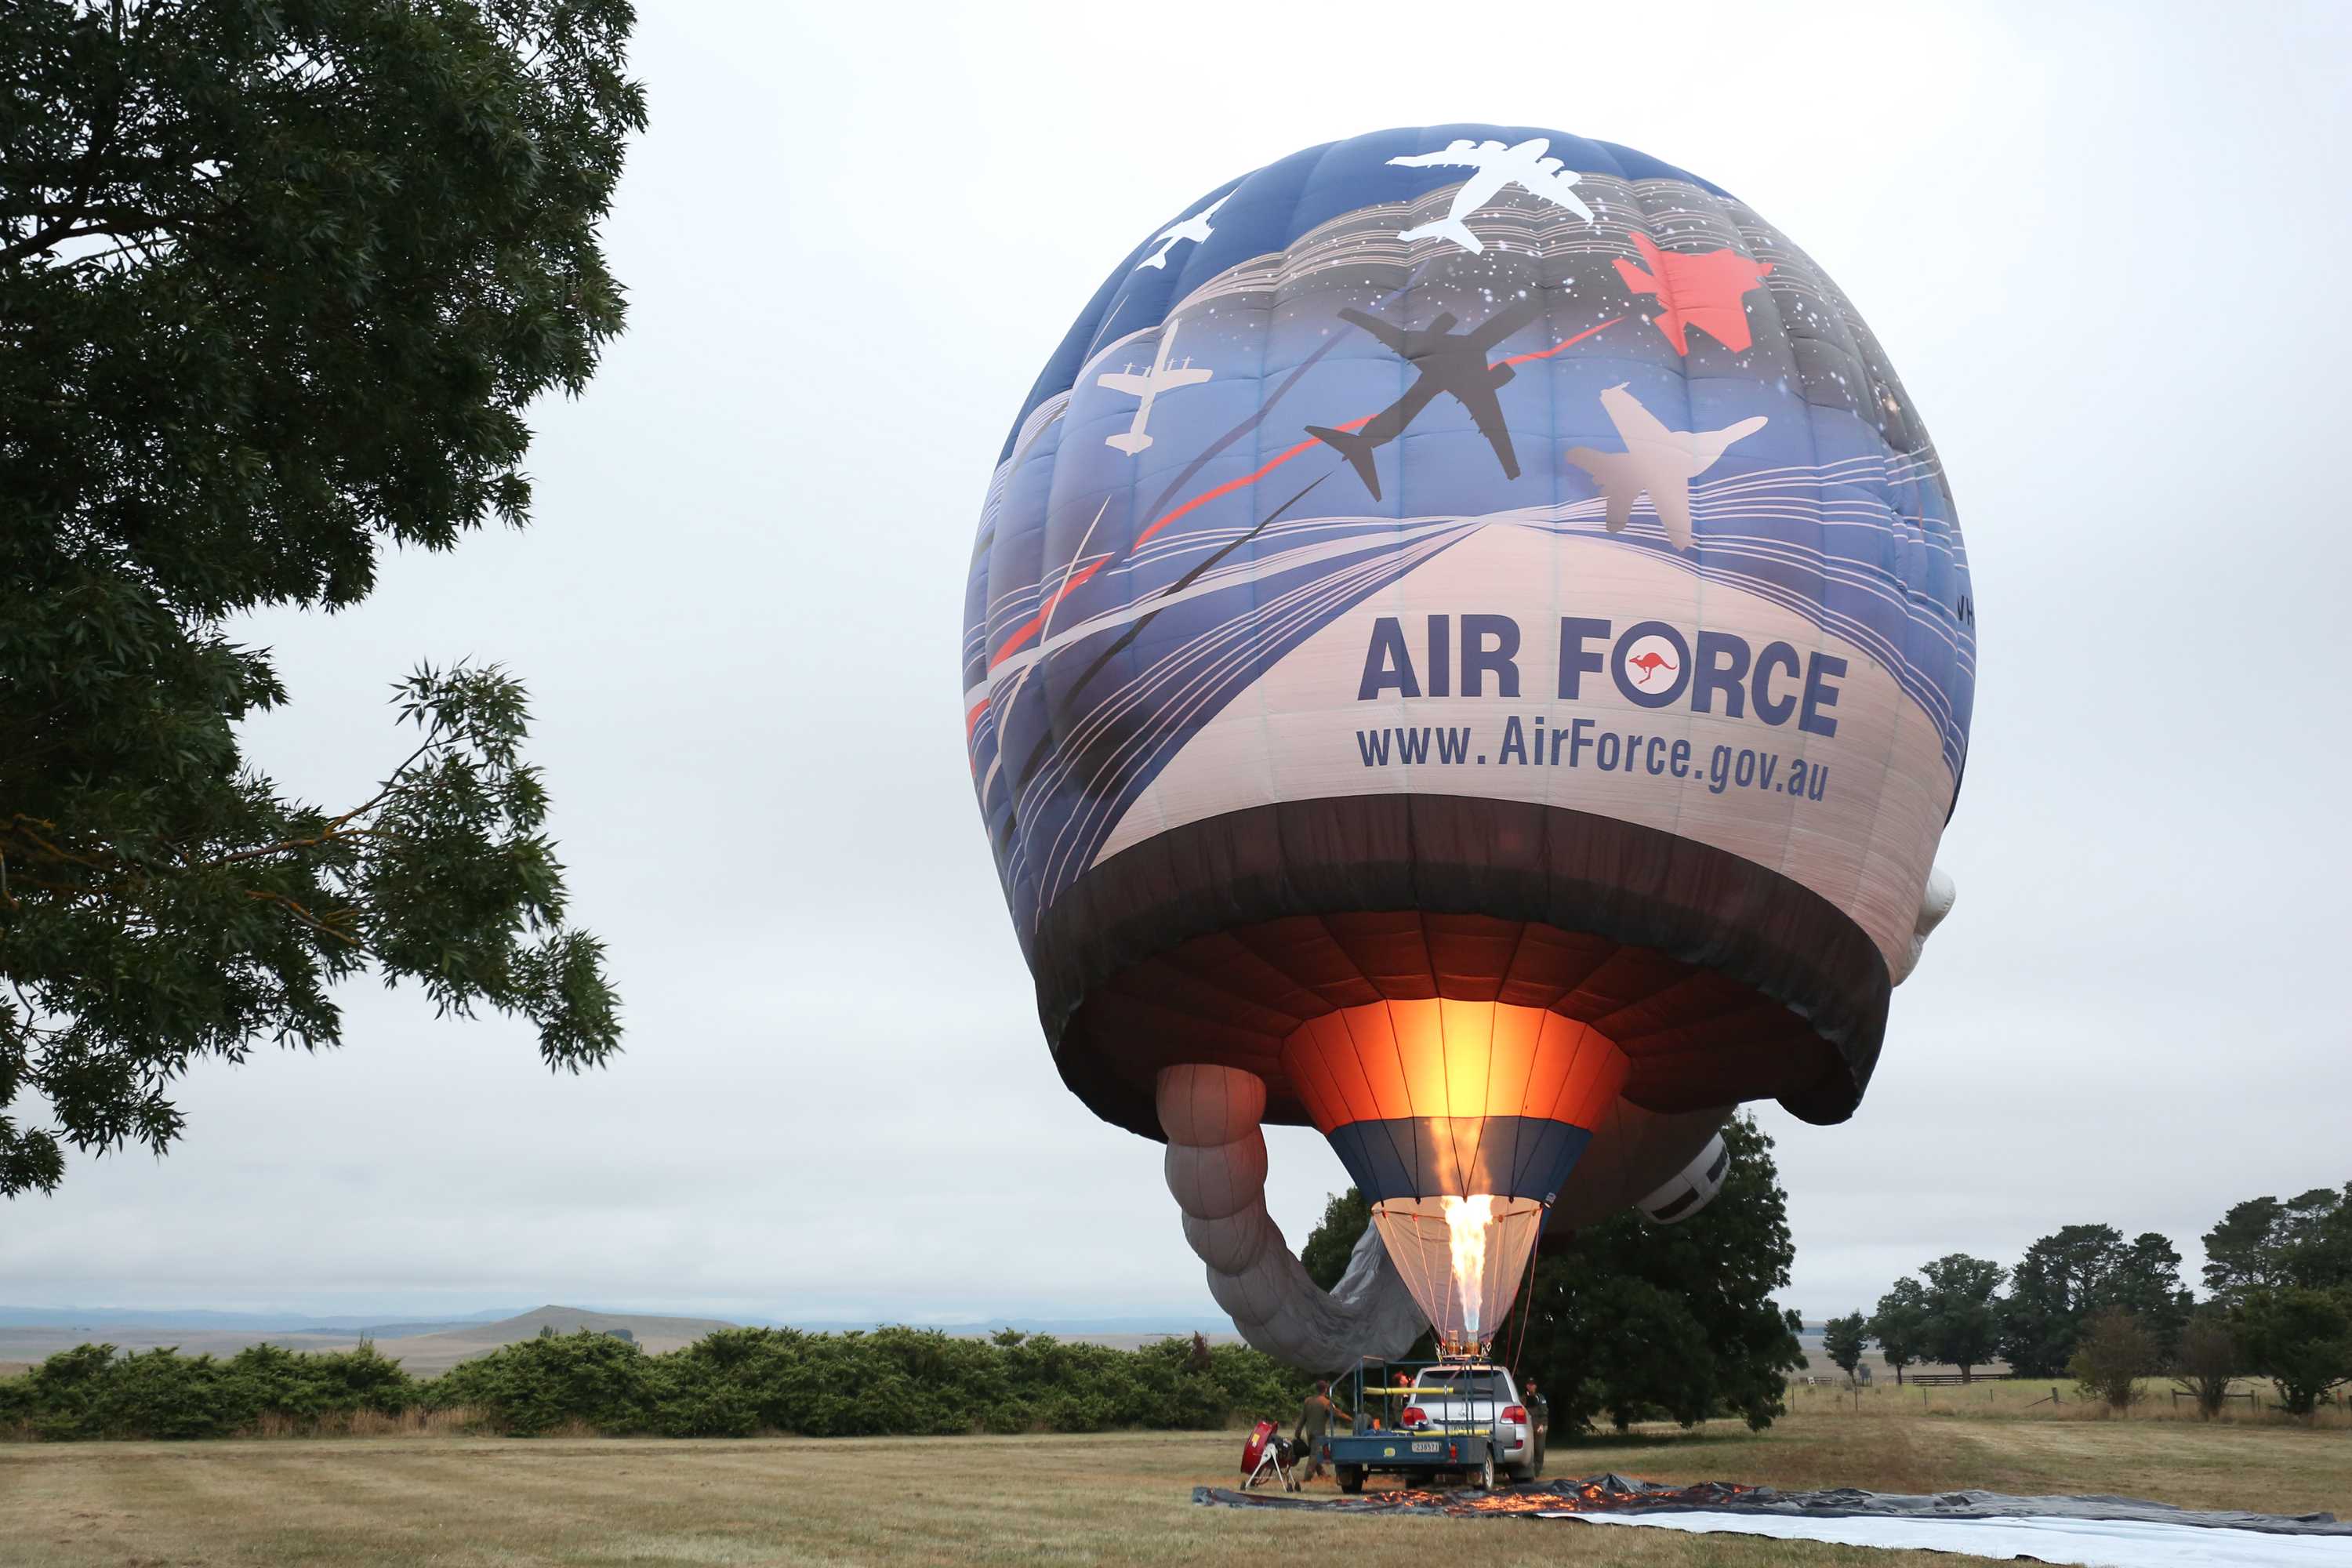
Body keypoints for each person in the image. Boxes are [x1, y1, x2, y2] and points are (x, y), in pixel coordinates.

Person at [1291, 1378, 1353, 1486]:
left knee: (1316, 1453)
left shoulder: (1308, 1401)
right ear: (1326, 1389)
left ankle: (1322, 1474)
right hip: (1318, 1435)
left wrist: (1298, 1432)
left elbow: (1302, 1419)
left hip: (1309, 1434)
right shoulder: (1326, 1402)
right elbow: (1337, 1413)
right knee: (1314, 1456)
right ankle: (1306, 1479)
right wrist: (1350, 1419)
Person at [1523, 1378, 1549, 1468]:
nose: (1531, 1386)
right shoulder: (1523, 1398)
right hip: (1528, 1427)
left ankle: (1538, 1468)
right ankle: (1530, 1468)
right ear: (1526, 1386)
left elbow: (1544, 1413)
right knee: (1529, 1449)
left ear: (1535, 1386)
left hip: (1539, 1426)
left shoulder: (1540, 1398)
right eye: (1529, 1384)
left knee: (1539, 1449)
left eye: (1533, 1384)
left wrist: (1541, 1425)